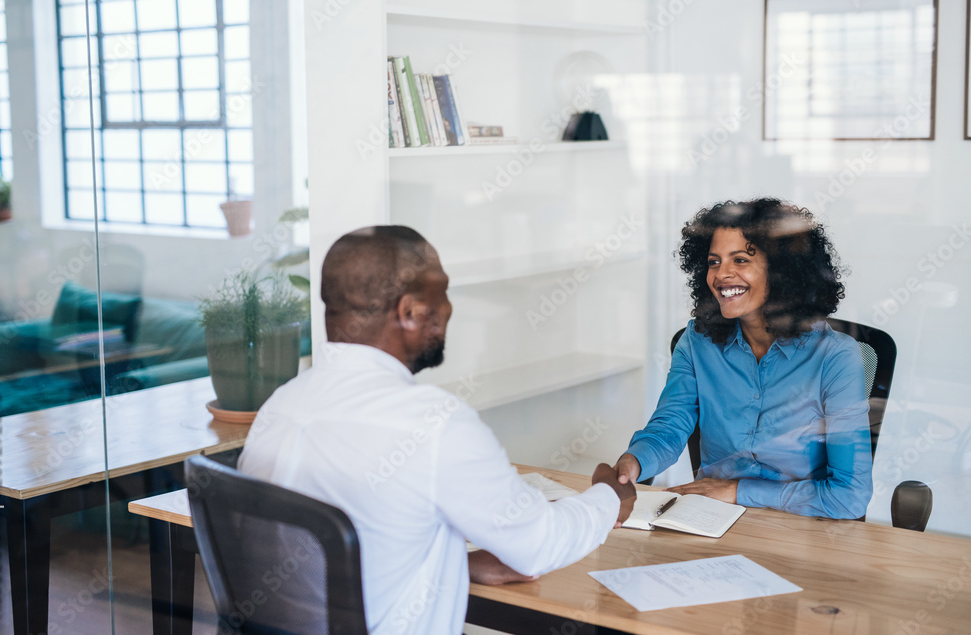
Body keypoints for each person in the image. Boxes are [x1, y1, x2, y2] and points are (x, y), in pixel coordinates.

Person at [239, 225, 635, 635]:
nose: (448, 309)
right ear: (409, 311)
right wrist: (610, 499)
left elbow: (311, 566)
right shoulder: (432, 424)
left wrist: (454, 565)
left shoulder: (279, 407)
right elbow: (538, 544)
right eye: (442, 293)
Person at [613, 198, 873, 519]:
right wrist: (633, 462)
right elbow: (670, 427)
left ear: (781, 272)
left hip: (801, 526)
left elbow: (850, 496)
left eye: (740, 260)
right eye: (713, 261)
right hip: (709, 518)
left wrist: (737, 491)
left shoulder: (836, 358)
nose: (722, 274)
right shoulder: (697, 340)